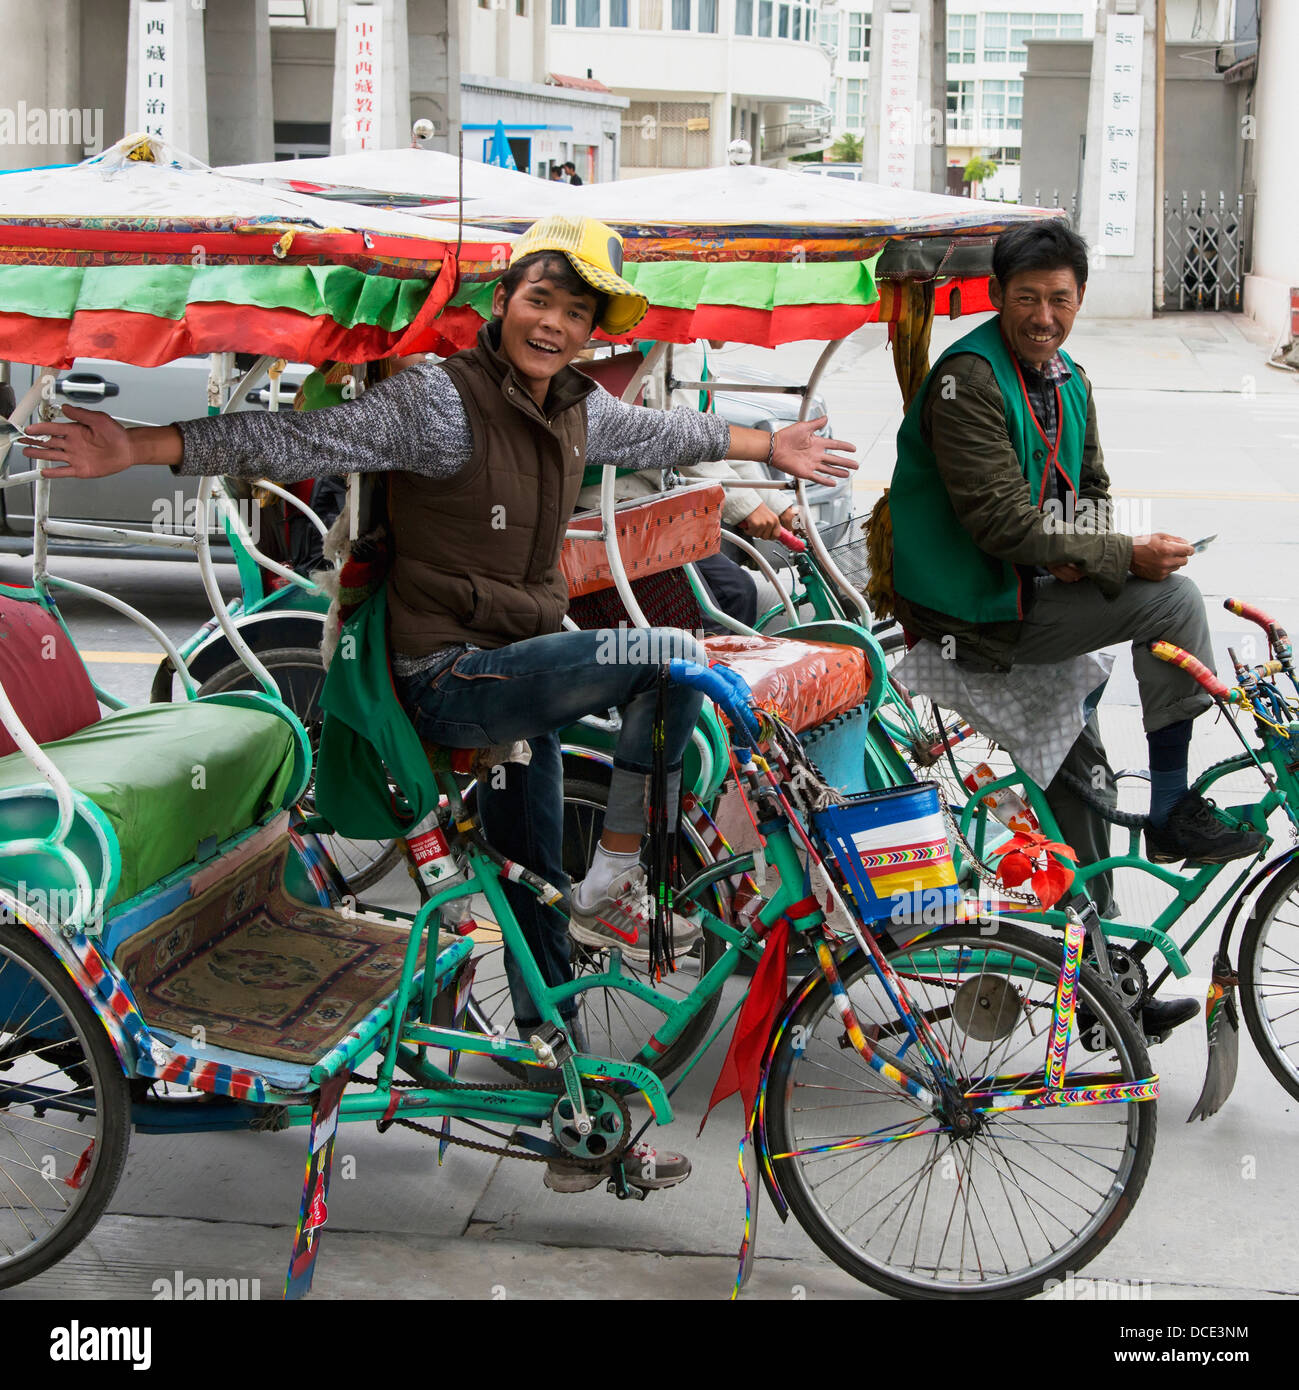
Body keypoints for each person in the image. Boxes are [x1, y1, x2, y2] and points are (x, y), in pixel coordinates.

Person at [24, 214, 856, 1189]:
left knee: (534, 898)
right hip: (451, 679)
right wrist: (140, 446)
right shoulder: (437, 401)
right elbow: (298, 432)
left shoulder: (577, 406)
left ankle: (571, 1115)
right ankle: (623, 864)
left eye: (575, 311)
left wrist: (771, 443)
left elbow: (671, 429)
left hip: (517, 693)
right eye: (539, 299)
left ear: (592, 332)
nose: (553, 323)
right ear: (502, 302)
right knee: (663, 656)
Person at [887, 218, 1262, 1040]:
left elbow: (1087, 490)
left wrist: (1099, 549)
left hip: (1024, 592)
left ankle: (1099, 992)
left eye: (1059, 299)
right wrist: (1114, 554)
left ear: (1080, 299)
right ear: (997, 297)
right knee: (1173, 603)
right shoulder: (967, 381)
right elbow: (997, 522)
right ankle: (1171, 811)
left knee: (1077, 782)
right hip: (969, 610)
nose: (1043, 315)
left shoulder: (1068, 379)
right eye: (1026, 298)